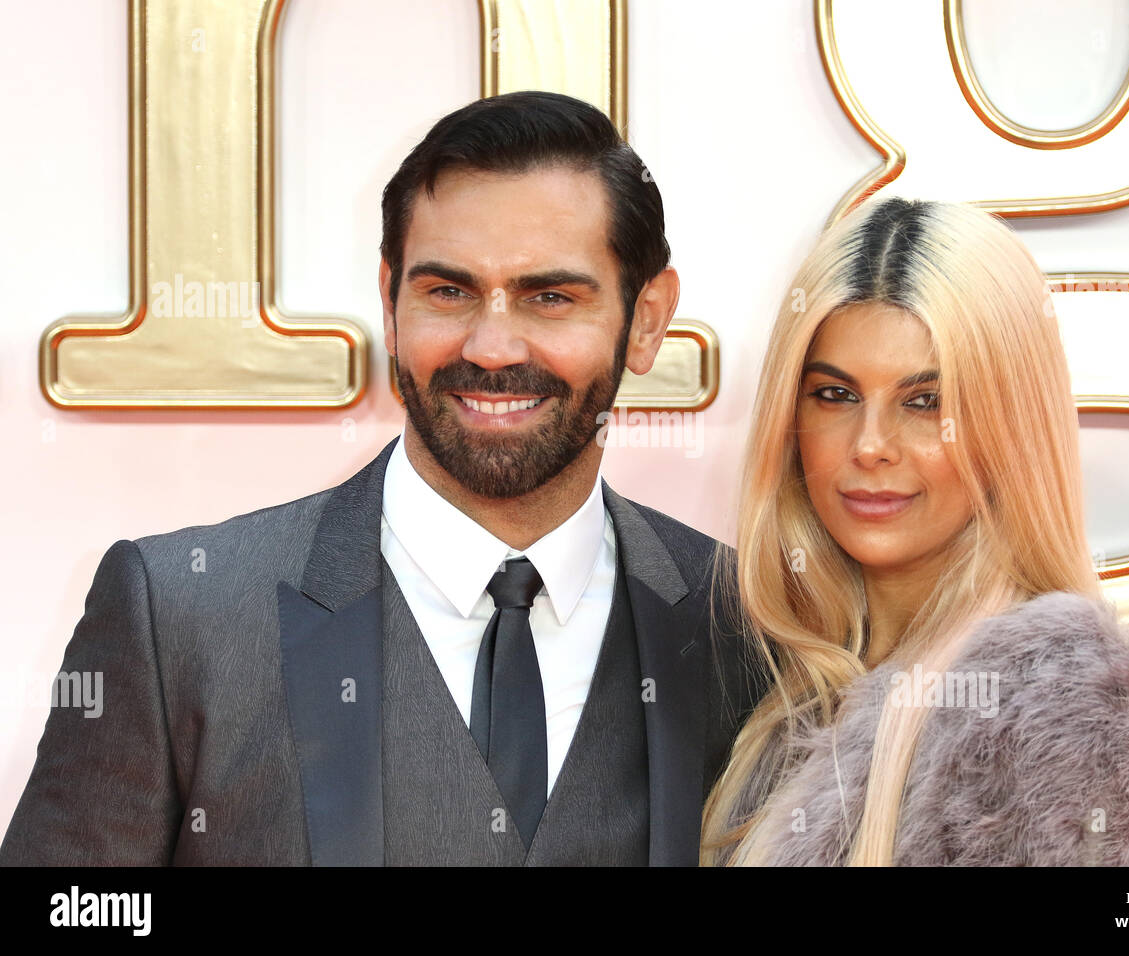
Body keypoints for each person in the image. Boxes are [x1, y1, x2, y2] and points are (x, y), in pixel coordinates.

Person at [1, 91, 761, 866]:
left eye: (551, 297)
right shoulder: (177, 617)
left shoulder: (747, 628)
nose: (492, 347)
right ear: (391, 309)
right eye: (449, 292)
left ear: (647, 320)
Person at [700, 196, 1129, 866]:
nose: (871, 445)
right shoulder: (782, 680)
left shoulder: (1062, 707)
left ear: (1008, 425)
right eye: (836, 395)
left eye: (926, 402)